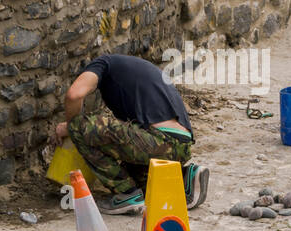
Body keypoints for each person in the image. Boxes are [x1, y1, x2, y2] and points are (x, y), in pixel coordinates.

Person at [50, 53, 209, 215]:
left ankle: (126, 195)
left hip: (159, 139)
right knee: (135, 180)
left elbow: (74, 95)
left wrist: (70, 126)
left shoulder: (103, 63)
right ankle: (184, 179)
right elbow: (124, 138)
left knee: (79, 126)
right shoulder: (136, 76)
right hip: (180, 145)